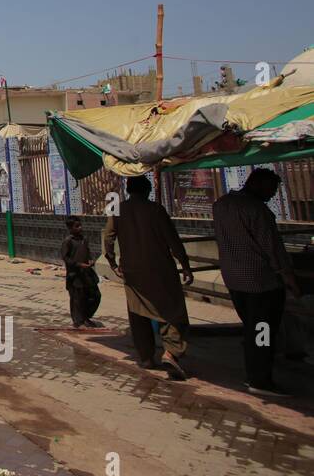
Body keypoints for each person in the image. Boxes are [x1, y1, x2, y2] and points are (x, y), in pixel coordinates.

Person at [212, 168, 301, 397]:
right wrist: (288, 277)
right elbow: (273, 248)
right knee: (262, 331)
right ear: (259, 185)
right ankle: (259, 379)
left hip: (233, 278)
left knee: (252, 328)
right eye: (271, 189)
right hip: (260, 282)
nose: (273, 194)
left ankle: (256, 370)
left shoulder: (221, 204)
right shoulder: (257, 210)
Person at [103, 175, 193, 379]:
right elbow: (173, 240)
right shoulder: (156, 210)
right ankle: (172, 350)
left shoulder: (117, 210)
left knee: (138, 312)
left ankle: (146, 357)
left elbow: (107, 237)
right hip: (160, 268)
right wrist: (185, 264)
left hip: (132, 270)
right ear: (147, 190)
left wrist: (113, 263)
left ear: (128, 190)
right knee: (171, 309)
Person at [60, 216, 101, 328]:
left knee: (94, 295)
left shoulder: (84, 239)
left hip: (87, 274)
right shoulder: (68, 242)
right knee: (77, 299)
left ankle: (86, 317)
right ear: (70, 228)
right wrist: (78, 264)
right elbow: (66, 258)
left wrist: (90, 260)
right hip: (75, 275)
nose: (80, 228)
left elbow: (88, 252)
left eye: (80, 225)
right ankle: (78, 321)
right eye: (76, 226)